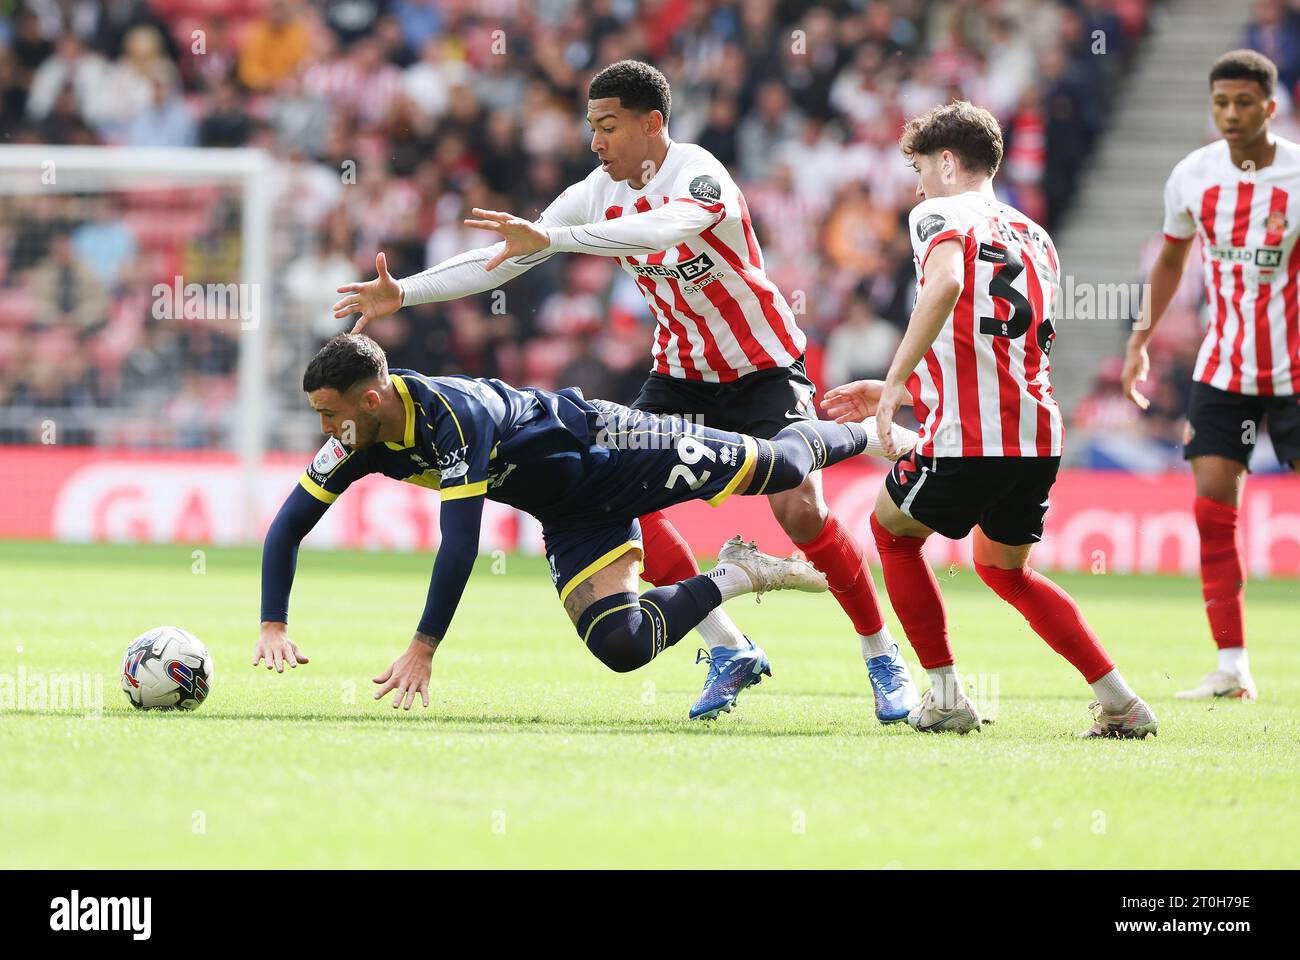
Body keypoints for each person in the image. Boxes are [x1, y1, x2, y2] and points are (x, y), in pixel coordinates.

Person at [333, 59, 919, 723]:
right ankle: (728, 649)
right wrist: (403, 292)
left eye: (608, 127)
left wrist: (555, 238)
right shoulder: (593, 192)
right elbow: (506, 255)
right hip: (677, 373)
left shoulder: (699, 173)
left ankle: (881, 656)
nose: (595, 142)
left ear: (652, 124)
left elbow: (658, 231)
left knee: (800, 515)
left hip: (761, 366)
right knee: (626, 497)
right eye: (591, 127)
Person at [255, 334, 914, 715]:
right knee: (621, 647)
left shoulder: (451, 417)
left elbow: (459, 546)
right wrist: (273, 624)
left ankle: (868, 431)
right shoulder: (355, 437)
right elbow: (286, 529)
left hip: (616, 445)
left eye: (327, 411)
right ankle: (739, 573)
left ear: (369, 400)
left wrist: (423, 648)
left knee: (779, 466)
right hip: (570, 513)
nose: (323, 427)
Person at [824, 101, 1157, 739]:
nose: (916, 186)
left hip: (974, 438)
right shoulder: (1037, 236)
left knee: (891, 533)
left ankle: (946, 696)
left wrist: (896, 383)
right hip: (1037, 433)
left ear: (947, 163)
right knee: (1006, 570)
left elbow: (946, 284)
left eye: (920, 168)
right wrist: (912, 387)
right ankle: (1121, 702)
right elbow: (999, 348)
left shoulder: (938, 213)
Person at [1122, 50, 1300, 703]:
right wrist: (1140, 339)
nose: (1231, 113)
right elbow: (1171, 261)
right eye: (1221, 102)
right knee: (1211, 511)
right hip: (1224, 370)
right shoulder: (1192, 176)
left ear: (1270, 107)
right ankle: (1232, 665)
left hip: (1296, 372)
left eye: (1244, 102)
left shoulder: (1298, 175)